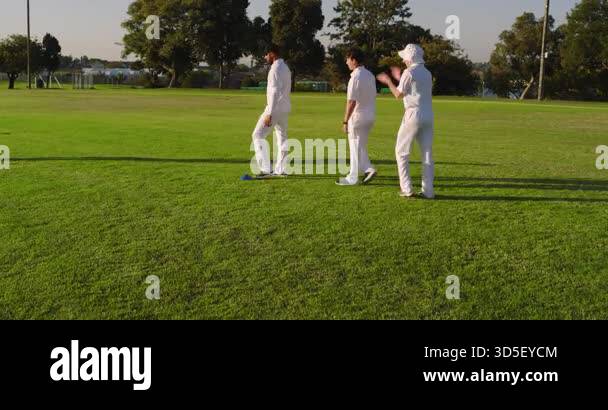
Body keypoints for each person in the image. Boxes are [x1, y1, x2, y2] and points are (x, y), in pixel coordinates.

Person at [377, 44, 435, 199]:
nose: (403, 61)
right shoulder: (427, 73)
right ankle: (428, 191)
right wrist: (399, 77)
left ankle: (407, 189)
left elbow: (398, 95)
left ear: (410, 58)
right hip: (428, 114)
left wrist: (388, 81)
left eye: (404, 58)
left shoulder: (409, 72)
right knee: (427, 154)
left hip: (413, 114)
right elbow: (414, 89)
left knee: (401, 152)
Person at [336, 48, 378, 186]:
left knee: (354, 146)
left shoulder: (355, 77)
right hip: (370, 115)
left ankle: (352, 177)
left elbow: (351, 101)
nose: (346, 62)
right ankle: (368, 169)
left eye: (348, 59)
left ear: (354, 60)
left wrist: (345, 121)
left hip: (358, 117)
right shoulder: (370, 75)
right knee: (360, 146)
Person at [251, 45, 292, 177]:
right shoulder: (285, 67)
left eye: (266, 54)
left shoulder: (275, 68)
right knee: (282, 137)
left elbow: (274, 91)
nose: (265, 57)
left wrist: (270, 112)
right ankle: (281, 169)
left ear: (272, 54)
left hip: (274, 108)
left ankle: (265, 169)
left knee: (257, 135)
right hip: (285, 108)